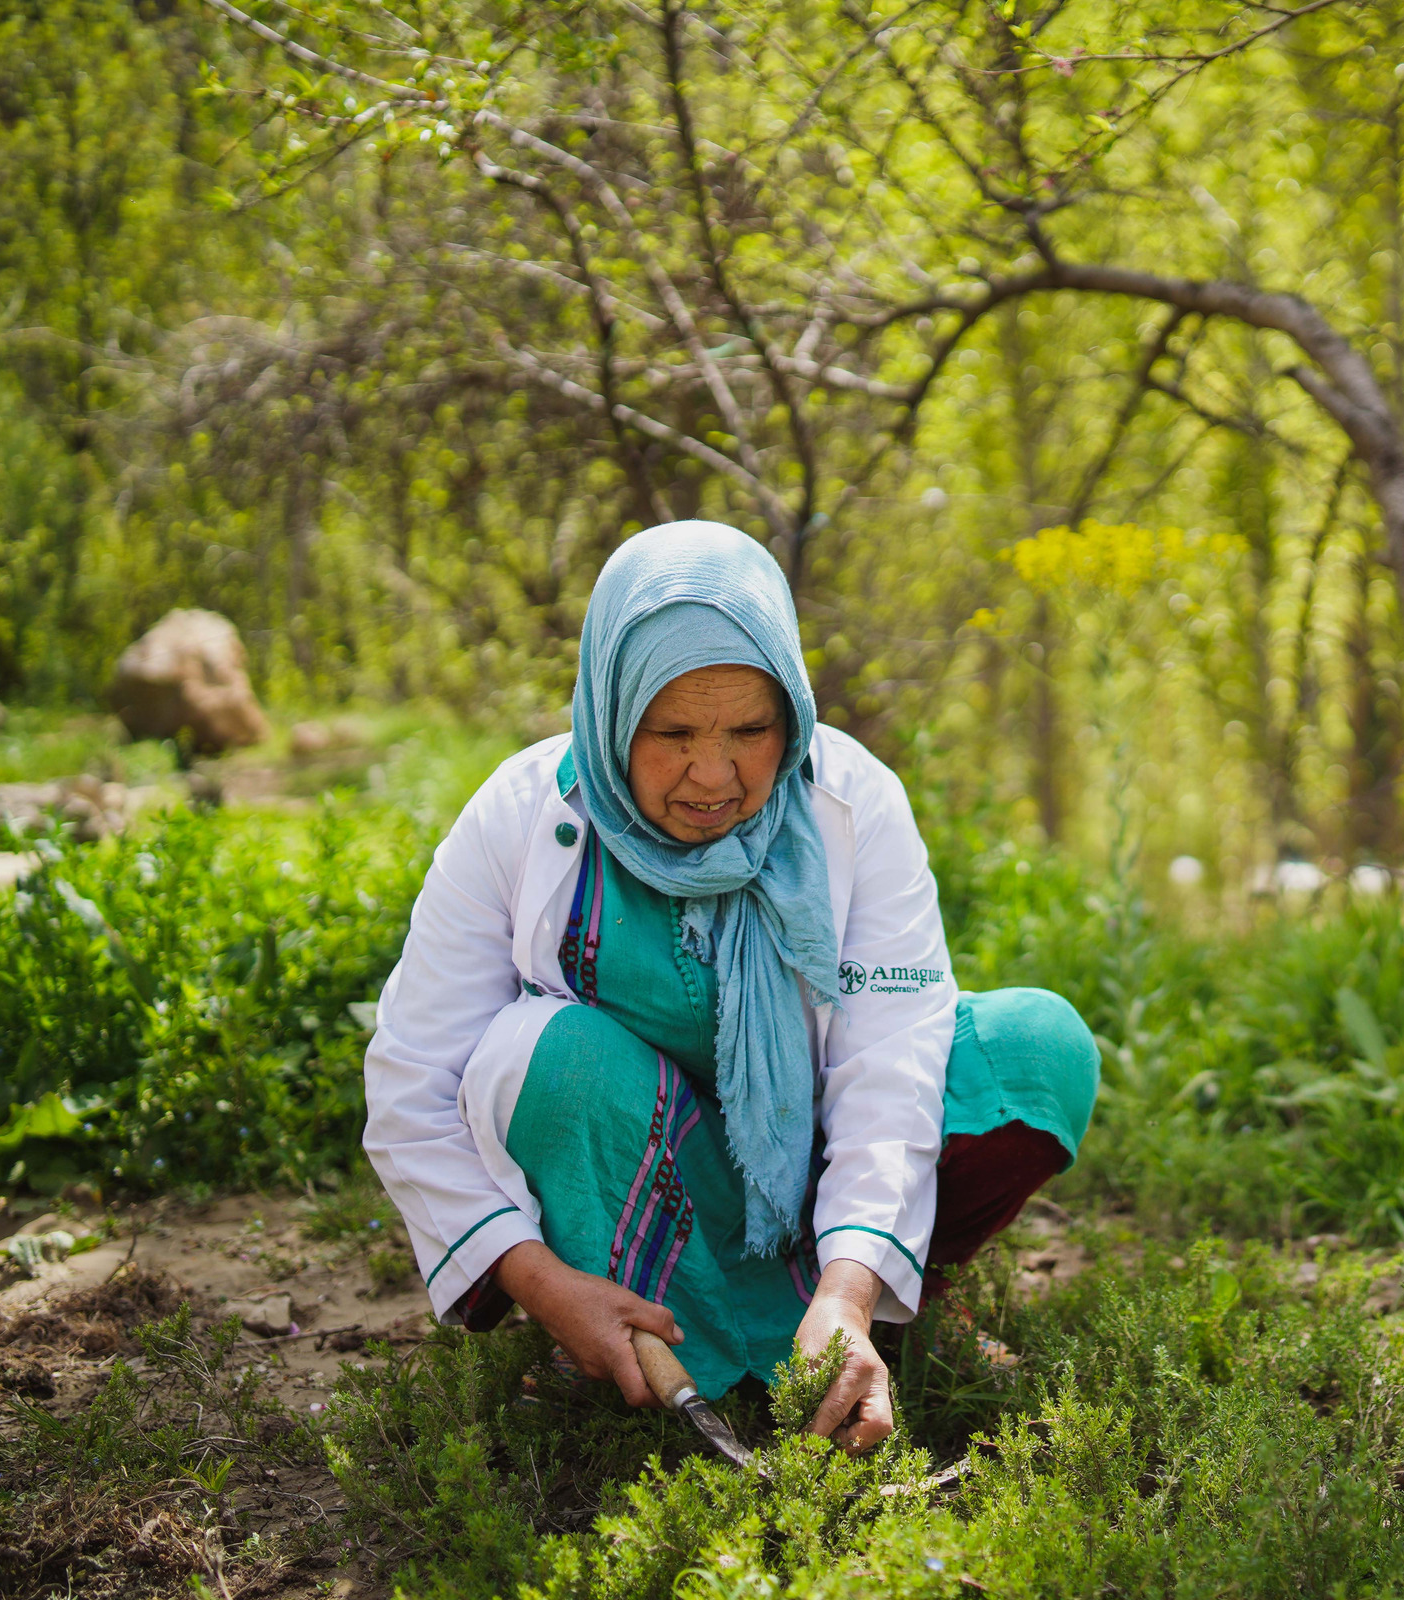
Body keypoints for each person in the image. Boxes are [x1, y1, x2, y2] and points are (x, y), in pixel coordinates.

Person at [362, 521, 1099, 1453]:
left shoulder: (851, 801)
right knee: (542, 1054)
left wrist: (848, 1288)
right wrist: (541, 1285)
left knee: (1036, 1048)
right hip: (642, 1166)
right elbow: (413, 1086)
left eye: (751, 731)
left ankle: (867, 1316)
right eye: (671, 733)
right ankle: (662, 1327)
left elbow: (891, 1059)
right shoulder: (520, 816)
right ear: (612, 709)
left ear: (791, 712)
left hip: (813, 1170)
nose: (714, 776)